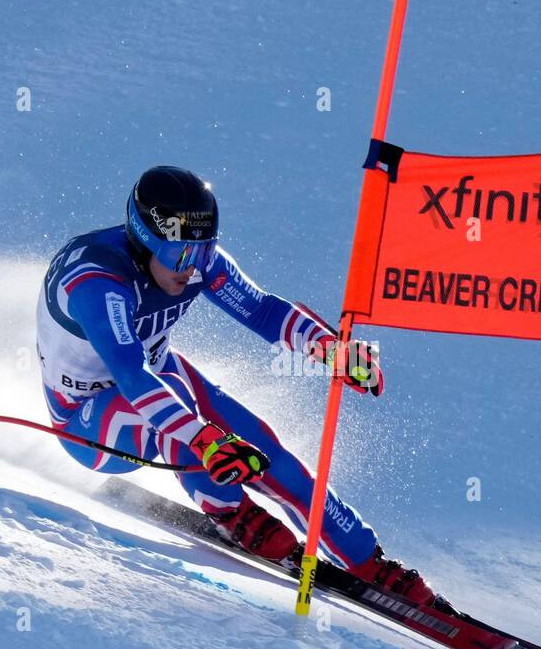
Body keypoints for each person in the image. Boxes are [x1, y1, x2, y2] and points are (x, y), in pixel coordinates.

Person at [36, 165, 445, 608]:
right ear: (144, 239)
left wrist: (330, 350)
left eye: (202, 251)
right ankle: (230, 510)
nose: (190, 269)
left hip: (160, 381)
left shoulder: (194, 265)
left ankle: (368, 559)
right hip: (88, 423)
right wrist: (203, 438)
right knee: (181, 406)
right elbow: (132, 374)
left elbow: (263, 312)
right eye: (179, 257)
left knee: (266, 450)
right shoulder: (97, 280)